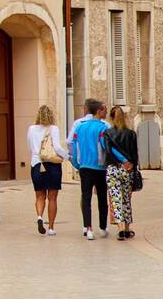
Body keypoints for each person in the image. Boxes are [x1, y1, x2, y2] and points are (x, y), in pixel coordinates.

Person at [71, 99, 110, 240]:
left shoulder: (80, 127)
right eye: (104, 110)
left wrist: (76, 162)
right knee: (101, 198)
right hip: (99, 167)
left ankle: (88, 228)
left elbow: (75, 147)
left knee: (86, 197)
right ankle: (103, 227)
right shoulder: (103, 127)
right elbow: (105, 147)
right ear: (98, 111)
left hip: (84, 167)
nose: (106, 112)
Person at [28, 105, 67, 235]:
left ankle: (39, 216)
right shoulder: (53, 128)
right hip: (52, 164)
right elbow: (56, 147)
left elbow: (30, 146)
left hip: (37, 164)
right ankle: (51, 227)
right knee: (52, 197)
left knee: (39, 196)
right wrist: (67, 157)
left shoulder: (31, 129)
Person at [104, 106, 139, 240]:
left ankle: (119, 227)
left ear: (112, 118)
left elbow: (108, 151)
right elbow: (135, 154)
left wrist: (118, 161)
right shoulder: (131, 134)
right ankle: (127, 228)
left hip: (113, 168)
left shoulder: (108, 133)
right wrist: (132, 166)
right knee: (126, 199)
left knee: (115, 199)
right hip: (127, 169)